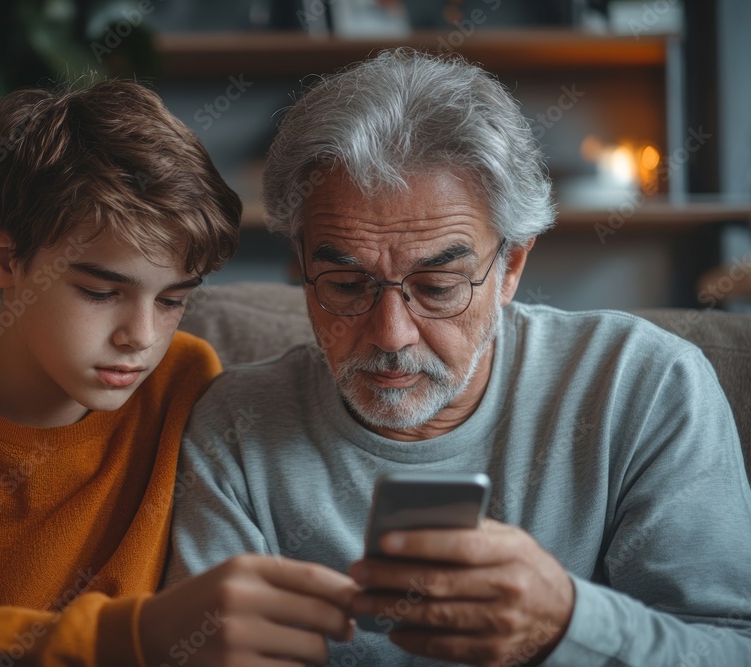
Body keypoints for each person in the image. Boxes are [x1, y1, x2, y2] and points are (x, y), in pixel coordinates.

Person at [166, 49, 751, 666]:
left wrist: (568, 625)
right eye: (344, 284)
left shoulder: (646, 385)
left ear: (510, 268)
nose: (391, 335)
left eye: (438, 289)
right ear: (301, 264)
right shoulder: (235, 422)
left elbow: (732, 647)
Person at [0, 81, 360, 667]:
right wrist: (130, 637)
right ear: (3, 257)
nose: (142, 336)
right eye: (101, 292)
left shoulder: (185, 383)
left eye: (174, 300)